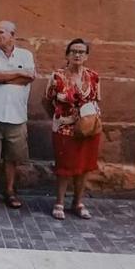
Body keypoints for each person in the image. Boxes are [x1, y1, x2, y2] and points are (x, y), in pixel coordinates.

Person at [47, 37, 104, 221]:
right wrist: (59, 118)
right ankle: (59, 203)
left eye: (81, 52)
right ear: (67, 55)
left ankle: (78, 202)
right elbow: (47, 100)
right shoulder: (57, 76)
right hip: (64, 129)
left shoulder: (93, 76)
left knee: (84, 167)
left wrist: (90, 121)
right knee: (64, 167)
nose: (77, 55)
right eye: (73, 51)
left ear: (86, 56)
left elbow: (97, 100)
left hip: (88, 129)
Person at [0, 21, 37, 209]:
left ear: (12, 35)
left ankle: (10, 191)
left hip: (17, 115)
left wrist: (6, 77)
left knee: (13, 157)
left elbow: (30, 77)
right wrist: (20, 73)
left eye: (0, 32)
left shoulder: (26, 55)